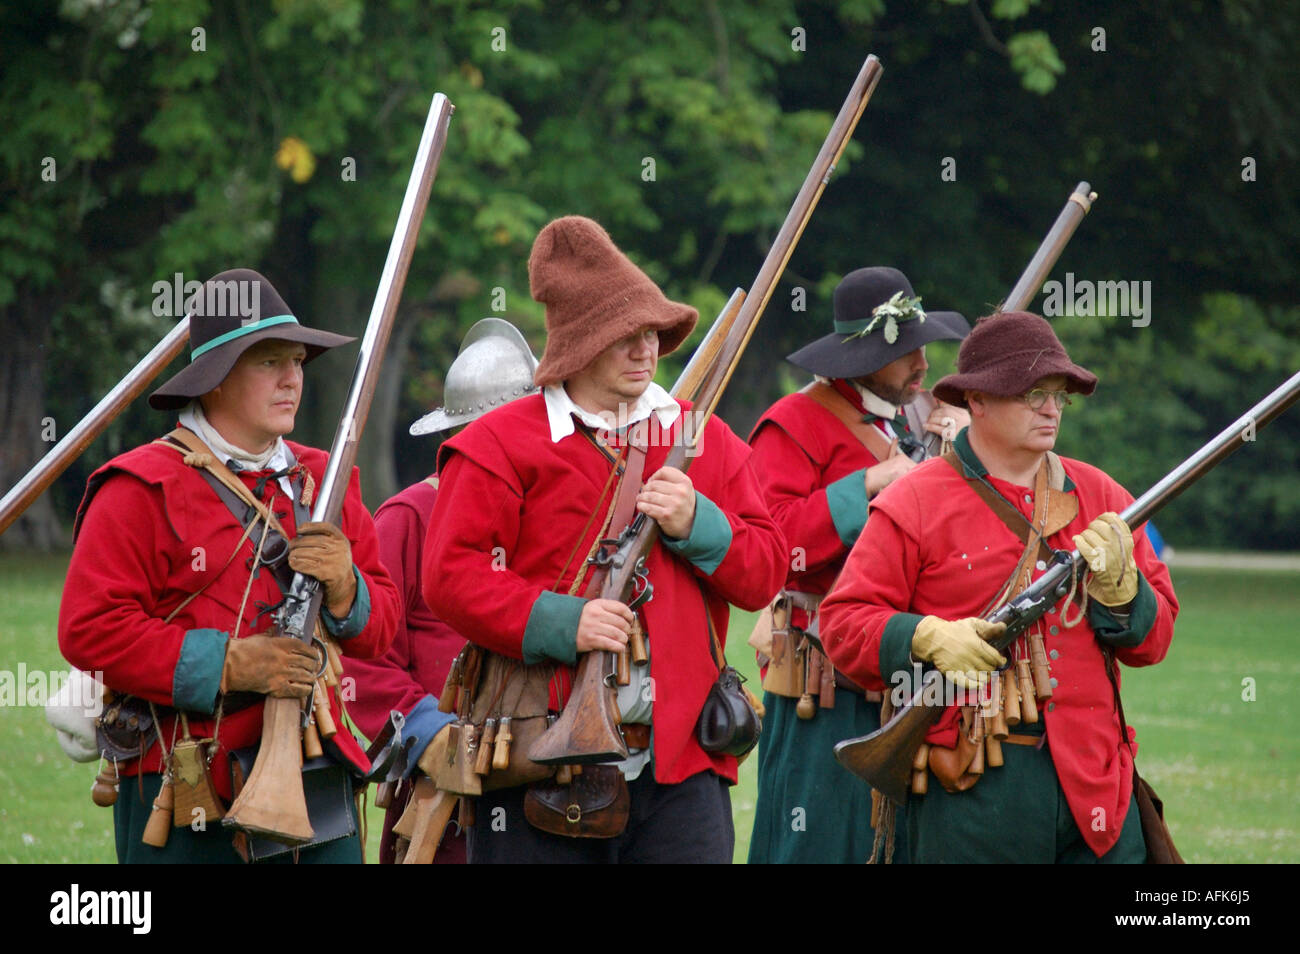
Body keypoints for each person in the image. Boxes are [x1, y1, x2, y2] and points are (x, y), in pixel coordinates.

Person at [422, 215, 786, 863]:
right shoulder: (495, 445)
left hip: (682, 768)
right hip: (541, 757)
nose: (646, 351)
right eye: (625, 337)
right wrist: (564, 621)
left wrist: (696, 523)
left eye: (651, 333)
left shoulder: (704, 440)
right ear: (581, 345)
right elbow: (452, 578)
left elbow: (762, 575)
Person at [58, 269, 400, 863]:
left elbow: (383, 628)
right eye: (269, 362)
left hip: (316, 771)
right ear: (214, 380)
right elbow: (89, 629)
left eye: (297, 361)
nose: (292, 378)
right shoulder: (139, 487)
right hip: (187, 782)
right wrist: (230, 663)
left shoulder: (325, 479)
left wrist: (347, 587)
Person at [820, 311, 1178, 863]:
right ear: (977, 401)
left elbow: (1153, 644)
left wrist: (1125, 594)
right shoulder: (914, 501)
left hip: (1096, 784)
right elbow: (843, 625)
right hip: (972, 788)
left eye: (1059, 394)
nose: (1052, 408)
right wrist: (926, 637)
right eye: (1032, 393)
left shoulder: (1100, 493)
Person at [747, 266, 971, 864]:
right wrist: (869, 483)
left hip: (911, 663)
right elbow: (773, 544)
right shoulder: (792, 423)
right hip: (825, 675)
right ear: (861, 356)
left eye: (921, 346)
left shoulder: (922, 414)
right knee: (815, 836)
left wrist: (965, 450)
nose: (921, 363)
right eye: (902, 352)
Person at [347, 317, 540, 864]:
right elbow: (363, 661)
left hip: (540, 782)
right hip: (439, 789)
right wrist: (430, 734)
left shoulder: (547, 512)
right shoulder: (406, 519)